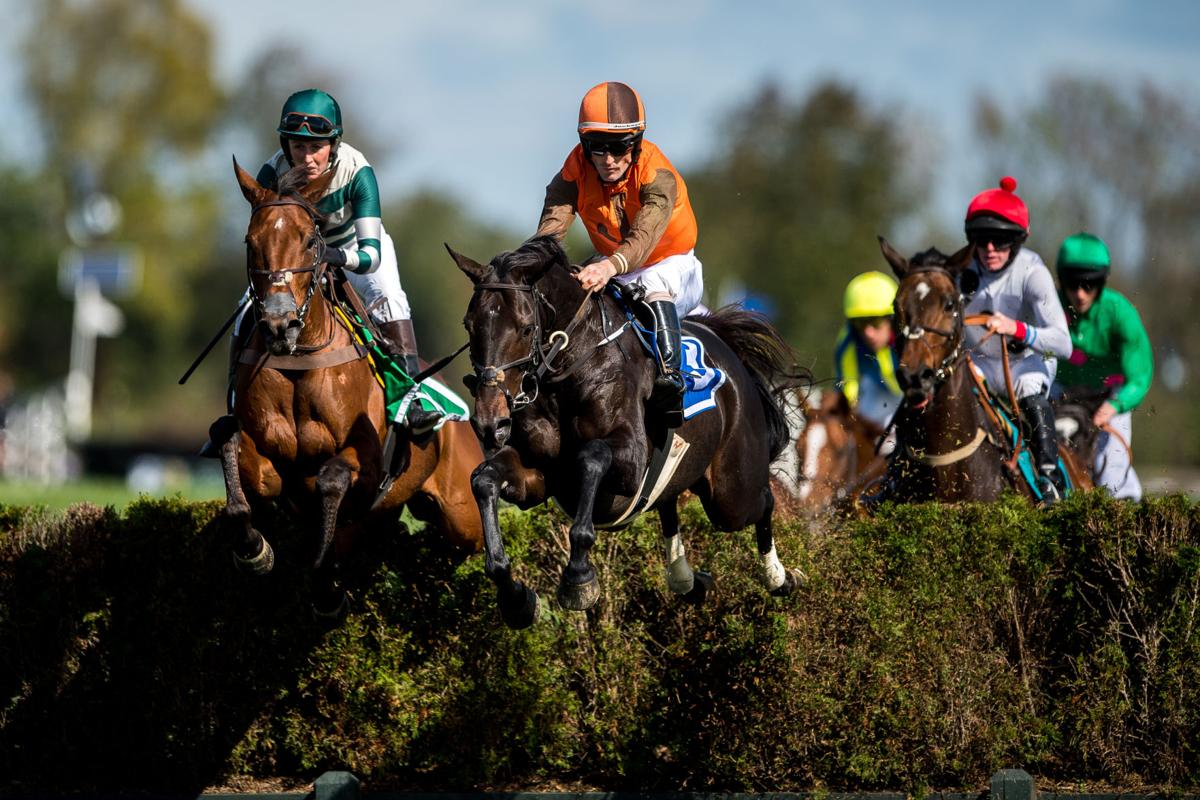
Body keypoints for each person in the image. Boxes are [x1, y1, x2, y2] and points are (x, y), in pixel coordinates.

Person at [202, 89, 435, 457]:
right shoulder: (271, 172)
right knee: (246, 305)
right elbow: (268, 233)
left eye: (317, 147)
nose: (307, 157)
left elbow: (371, 255)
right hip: (297, 256)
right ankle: (234, 406)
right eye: (298, 147)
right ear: (286, 145)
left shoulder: (358, 173)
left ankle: (411, 399)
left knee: (389, 298)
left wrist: (330, 255)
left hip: (353, 249)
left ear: (333, 144)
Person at [534, 81, 702, 428]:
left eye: (618, 146)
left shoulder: (657, 173)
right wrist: (529, 268)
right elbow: (548, 234)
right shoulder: (574, 170)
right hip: (618, 267)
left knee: (653, 281)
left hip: (673, 264)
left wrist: (609, 267)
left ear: (635, 143)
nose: (608, 159)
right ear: (585, 145)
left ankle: (671, 379)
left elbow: (643, 238)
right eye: (598, 147)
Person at [960, 176, 1073, 504]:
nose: (989, 250)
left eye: (1000, 241)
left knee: (1029, 388)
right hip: (979, 362)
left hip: (1026, 363)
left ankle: (1049, 476)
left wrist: (1018, 329)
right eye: (982, 240)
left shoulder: (1033, 273)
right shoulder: (962, 270)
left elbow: (1063, 344)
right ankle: (900, 470)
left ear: (1018, 240)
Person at [1053, 232, 1152, 501]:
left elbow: (1140, 376)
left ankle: (1124, 505)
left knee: (1111, 466)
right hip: (1061, 390)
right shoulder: (1048, 304)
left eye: (1089, 285)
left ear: (1101, 282)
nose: (1080, 294)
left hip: (1108, 395)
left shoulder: (1120, 313)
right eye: (1072, 285)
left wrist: (1117, 405)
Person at [835, 271, 902, 431]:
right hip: (878, 390)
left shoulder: (910, 339)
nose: (868, 333)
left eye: (876, 322)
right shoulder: (848, 340)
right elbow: (848, 387)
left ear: (893, 319)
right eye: (860, 323)